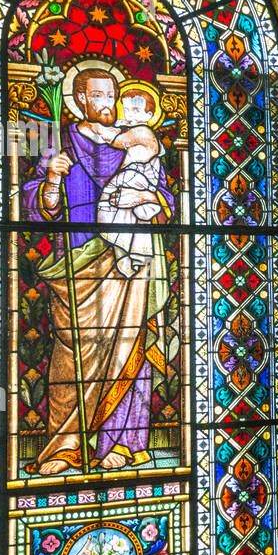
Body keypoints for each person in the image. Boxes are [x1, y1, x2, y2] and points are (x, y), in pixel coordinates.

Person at [22, 68, 173, 475]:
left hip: (132, 260)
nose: (108, 102)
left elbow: (167, 200)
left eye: (113, 94)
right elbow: (35, 205)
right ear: (80, 100)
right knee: (74, 349)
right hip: (76, 258)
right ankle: (65, 443)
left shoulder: (135, 137)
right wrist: (53, 175)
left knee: (131, 349)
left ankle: (123, 444)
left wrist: (148, 197)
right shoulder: (58, 138)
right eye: (98, 95)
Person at [98, 89, 164, 276]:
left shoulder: (142, 132)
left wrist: (96, 126)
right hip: (132, 181)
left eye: (135, 110)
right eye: (126, 110)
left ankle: (127, 256)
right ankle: (129, 255)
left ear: (149, 115)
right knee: (124, 219)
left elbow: (115, 141)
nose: (129, 115)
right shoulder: (136, 130)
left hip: (136, 181)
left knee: (113, 213)